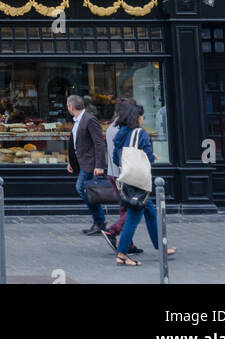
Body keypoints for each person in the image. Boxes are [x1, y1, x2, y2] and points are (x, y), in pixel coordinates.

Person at [111, 101, 176, 267]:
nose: (143, 118)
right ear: (136, 117)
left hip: (127, 179)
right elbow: (148, 156)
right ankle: (122, 254)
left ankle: (161, 247)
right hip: (139, 182)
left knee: (150, 213)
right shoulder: (140, 134)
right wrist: (152, 156)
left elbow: (116, 158)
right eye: (142, 115)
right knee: (133, 218)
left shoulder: (120, 133)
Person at [101, 101, 140, 255]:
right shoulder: (124, 130)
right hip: (123, 174)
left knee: (125, 208)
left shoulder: (111, 128)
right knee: (133, 209)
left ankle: (128, 243)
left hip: (113, 173)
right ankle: (112, 231)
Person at [65, 93, 106, 234]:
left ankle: (100, 220)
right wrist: (71, 162)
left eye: (67, 105)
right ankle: (99, 221)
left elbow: (99, 143)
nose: (67, 108)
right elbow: (76, 143)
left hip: (90, 163)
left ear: (71, 106)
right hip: (81, 162)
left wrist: (99, 165)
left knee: (81, 188)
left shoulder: (89, 119)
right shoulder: (77, 121)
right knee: (86, 190)